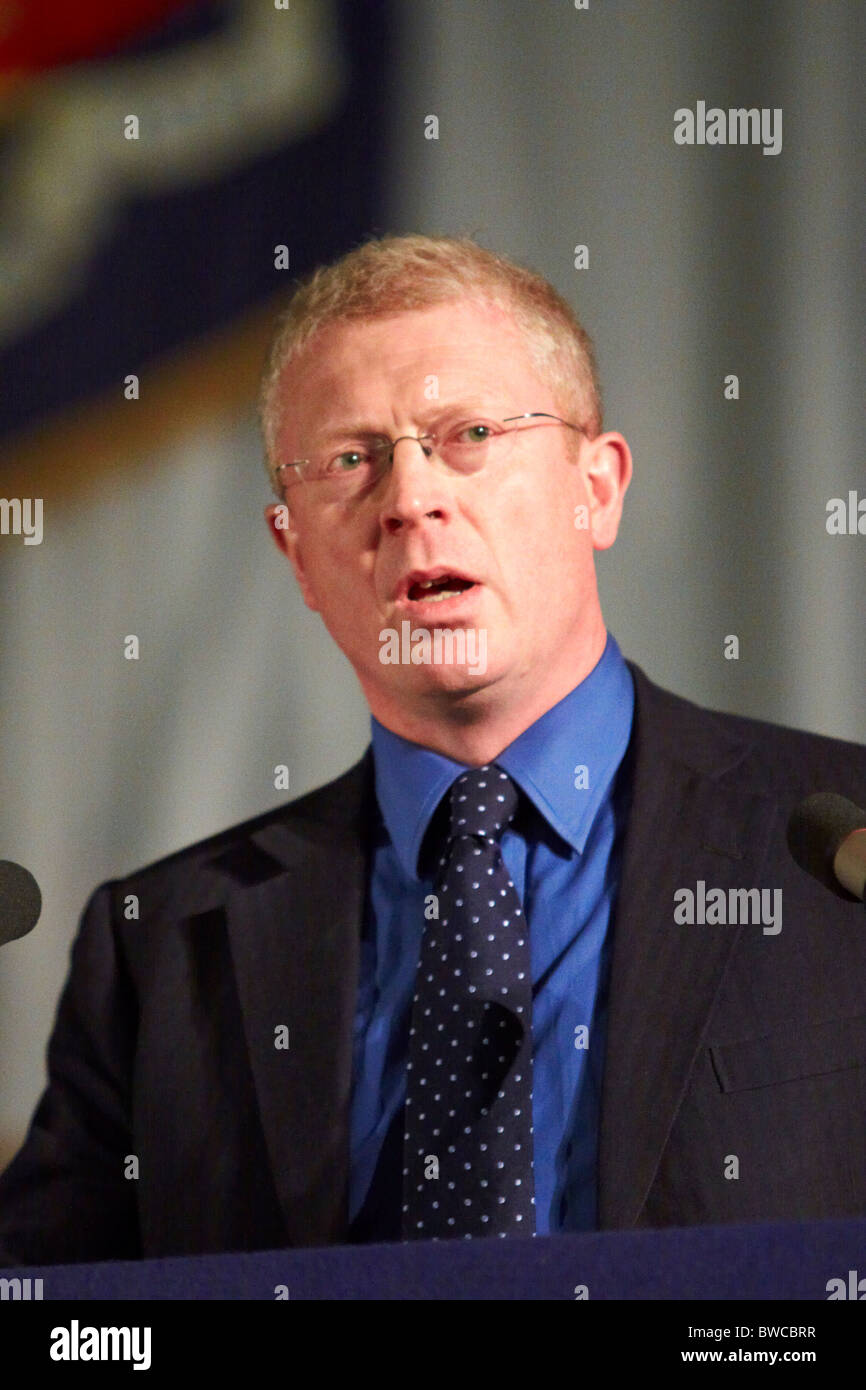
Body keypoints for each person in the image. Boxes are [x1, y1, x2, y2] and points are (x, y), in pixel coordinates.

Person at [1, 234, 865, 1266]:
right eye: (352, 460)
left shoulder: (837, 861)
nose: (409, 499)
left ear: (597, 486)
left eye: (468, 433)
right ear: (295, 550)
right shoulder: (158, 947)